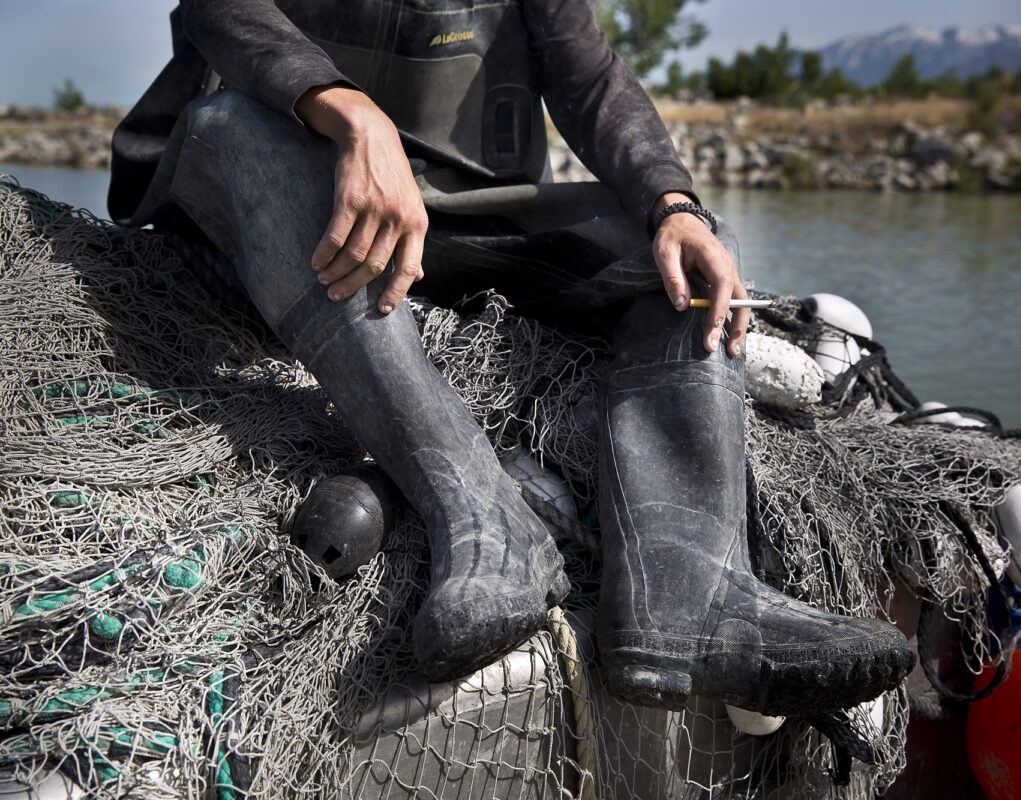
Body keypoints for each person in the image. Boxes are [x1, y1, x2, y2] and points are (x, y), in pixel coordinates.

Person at [109, 0, 913, 715]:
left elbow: (591, 79)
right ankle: (485, 521)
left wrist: (673, 202)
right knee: (230, 132)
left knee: (685, 259)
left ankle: (691, 596)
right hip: (271, 197)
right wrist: (349, 112)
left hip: (462, 213)